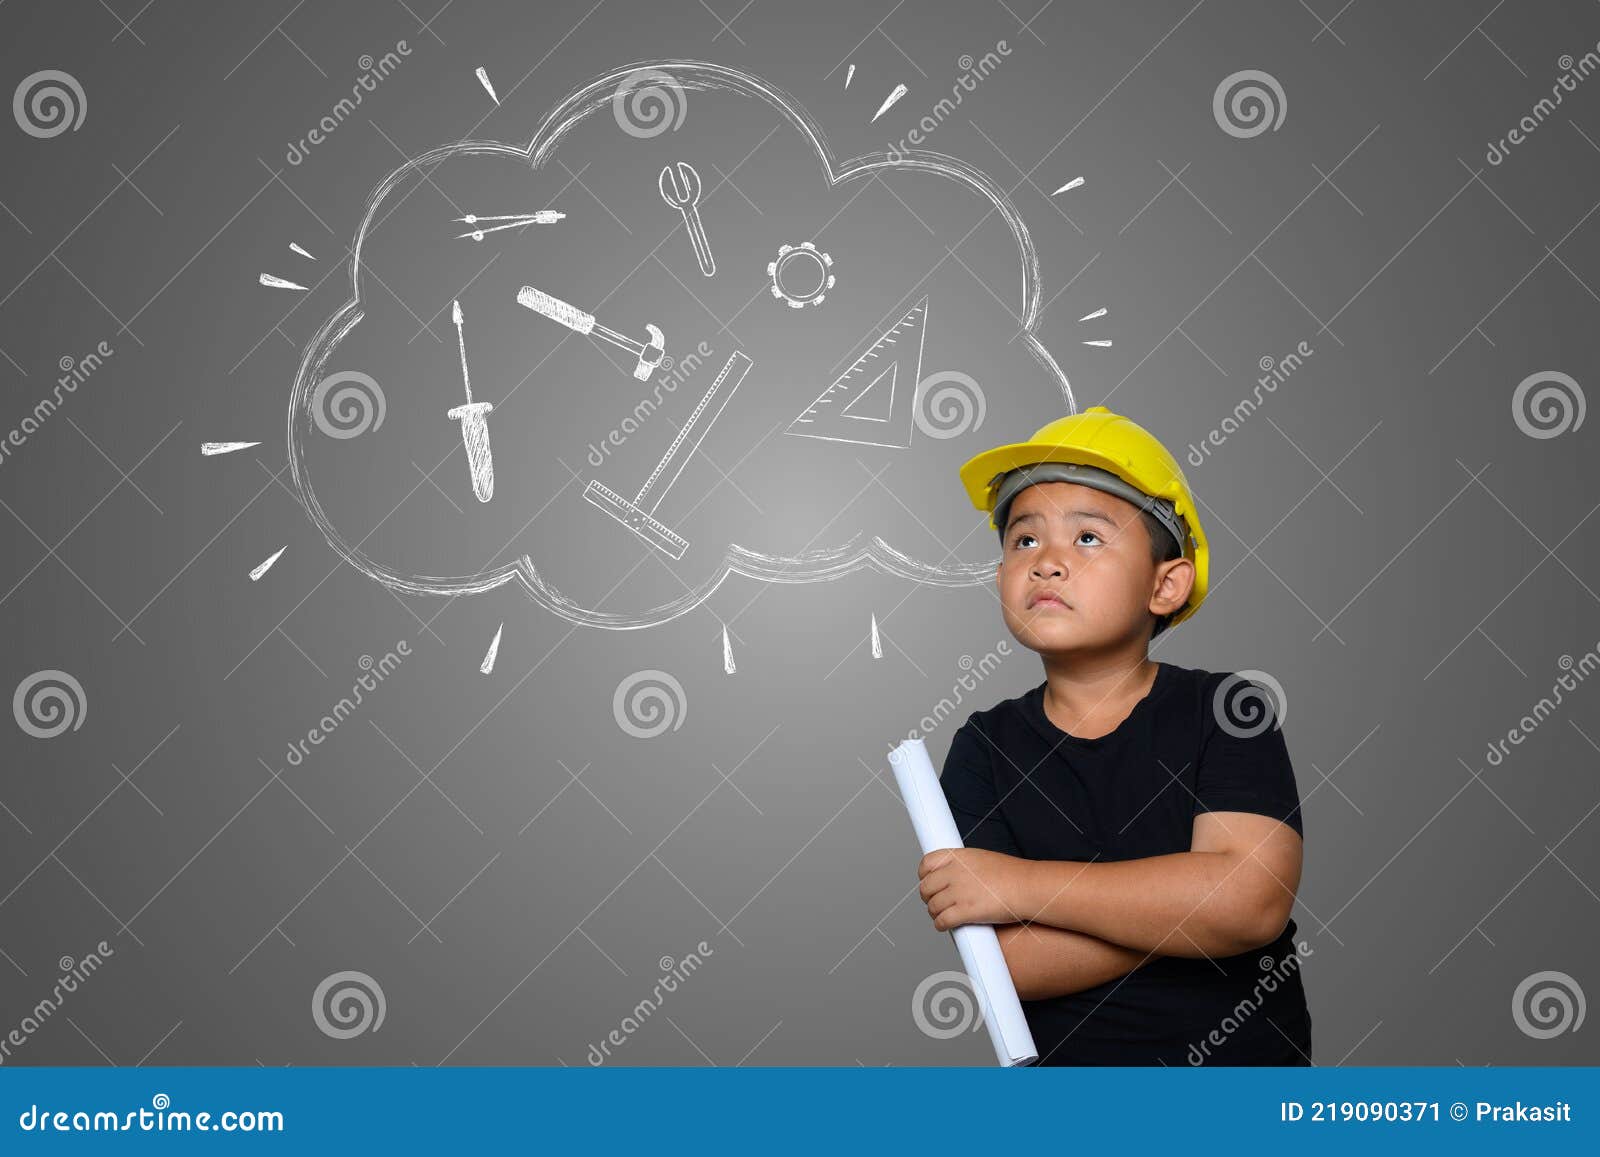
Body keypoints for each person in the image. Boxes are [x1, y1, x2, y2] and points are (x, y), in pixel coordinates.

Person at [920, 405, 1313, 1066]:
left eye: (1089, 538)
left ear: (1165, 583)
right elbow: (1005, 967)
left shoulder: (1227, 709)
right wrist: (1190, 913)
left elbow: (1248, 903)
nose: (1046, 562)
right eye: (1023, 540)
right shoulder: (982, 748)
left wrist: (1021, 886)